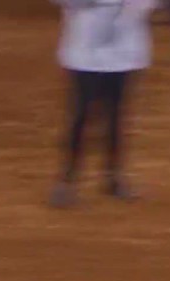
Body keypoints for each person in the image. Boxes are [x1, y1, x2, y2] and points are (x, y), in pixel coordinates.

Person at [49, 0, 157, 209]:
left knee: (116, 116)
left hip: (124, 48)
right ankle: (67, 180)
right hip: (85, 49)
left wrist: (135, 9)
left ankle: (113, 176)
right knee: (81, 116)